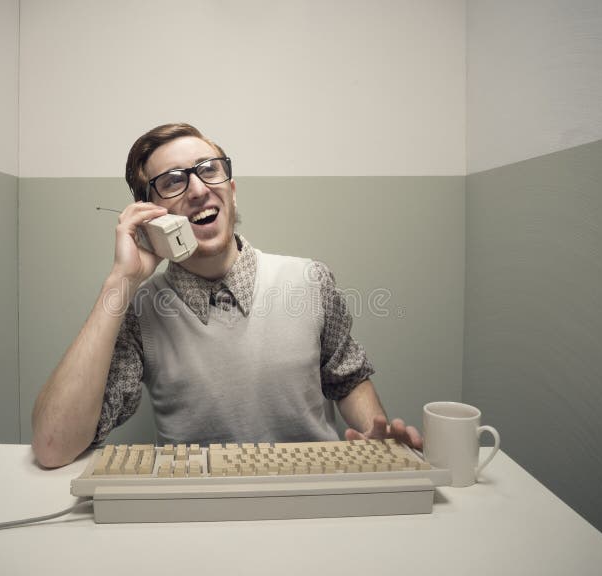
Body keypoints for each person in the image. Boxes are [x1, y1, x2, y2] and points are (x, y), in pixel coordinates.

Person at [31, 123, 422, 468]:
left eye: (208, 171)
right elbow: (53, 446)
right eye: (172, 180)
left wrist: (376, 442)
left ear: (231, 192)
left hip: (311, 505)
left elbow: (347, 380)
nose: (199, 190)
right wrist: (121, 280)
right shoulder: (138, 313)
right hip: (197, 520)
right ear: (151, 216)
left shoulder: (310, 280)